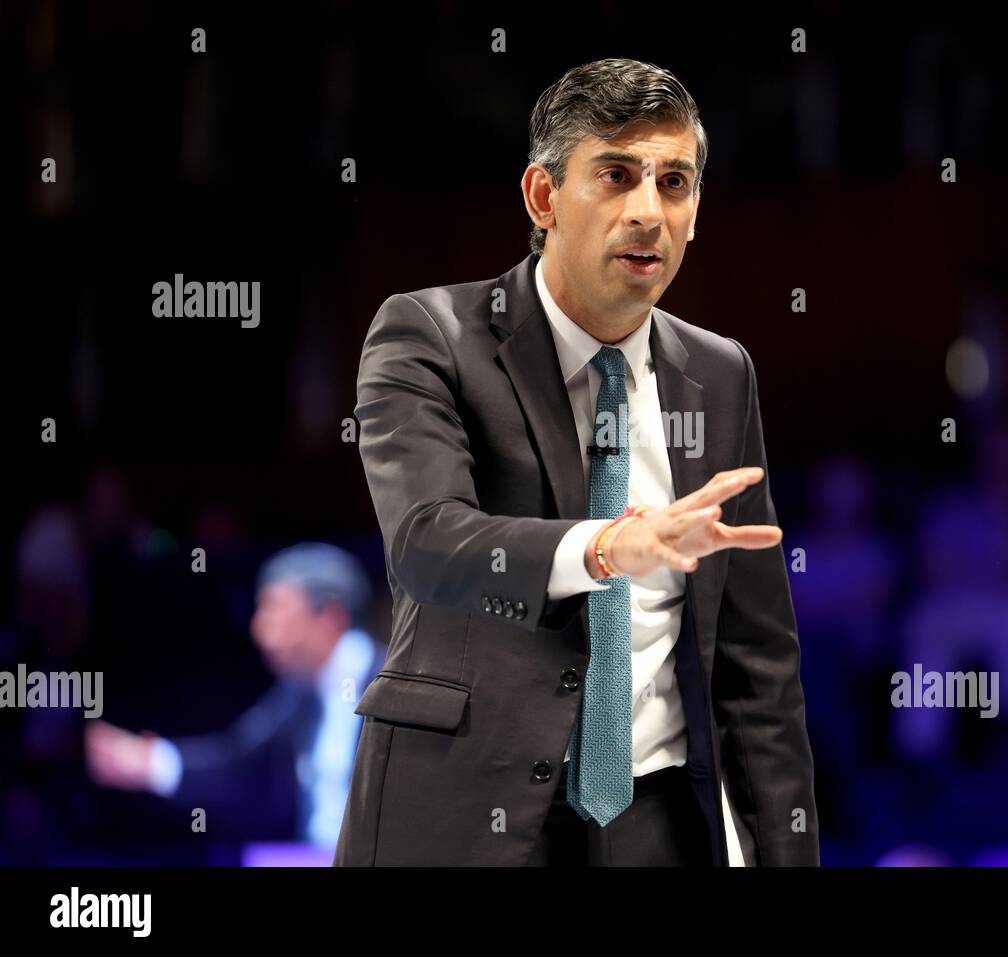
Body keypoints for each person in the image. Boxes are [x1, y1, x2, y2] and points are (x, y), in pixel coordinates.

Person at [335, 57, 819, 866]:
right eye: (617, 175)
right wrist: (605, 548)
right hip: (461, 813)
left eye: (674, 183)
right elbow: (426, 542)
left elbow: (758, 667)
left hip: (655, 823)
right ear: (543, 197)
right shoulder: (429, 335)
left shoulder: (722, 372)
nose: (648, 211)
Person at [85, 542, 383, 850]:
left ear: (330, 617)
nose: (260, 630)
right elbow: (241, 761)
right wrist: (149, 762)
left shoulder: (399, 688)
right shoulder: (298, 694)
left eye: (276, 611)